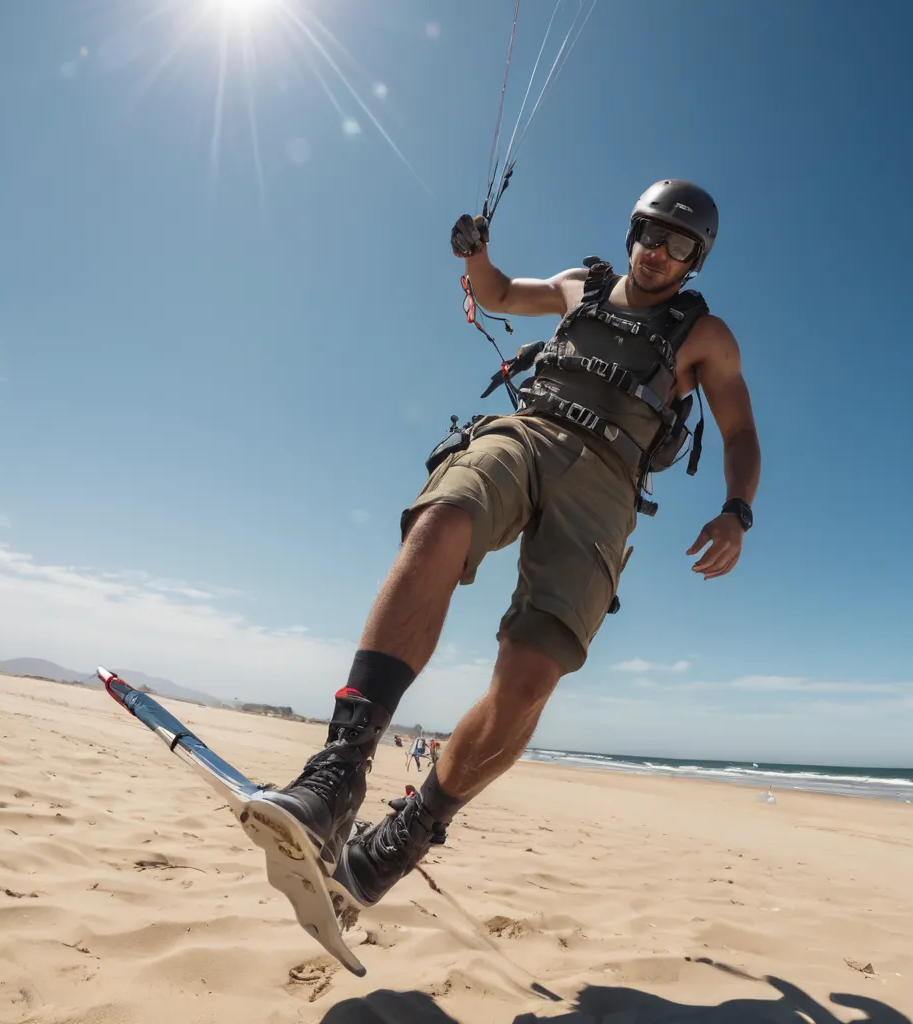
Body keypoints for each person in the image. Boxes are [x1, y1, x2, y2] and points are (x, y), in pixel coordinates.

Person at [259, 179, 761, 911]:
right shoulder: (579, 287)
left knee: (531, 676)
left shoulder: (705, 336)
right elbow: (494, 293)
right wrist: (478, 254)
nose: (658, 251)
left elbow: (741, 431)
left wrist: (736, 511)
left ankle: (400, 840)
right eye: (650, 232)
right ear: (631, 232)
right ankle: (336, 774)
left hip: (609, 483)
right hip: (529, 433)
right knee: (445, 517)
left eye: (678, 244)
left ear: (696, 260)